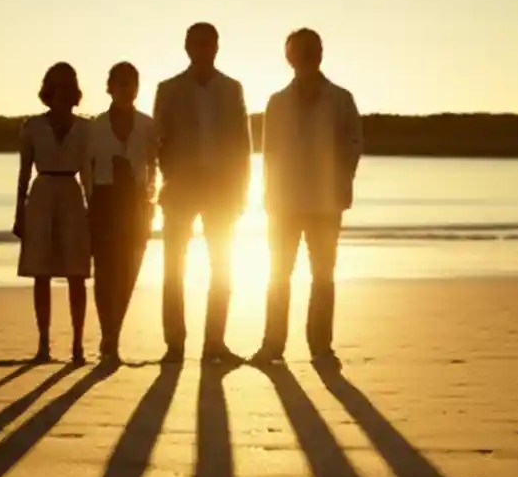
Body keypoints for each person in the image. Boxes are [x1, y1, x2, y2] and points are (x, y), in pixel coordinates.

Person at [252, 28, 364, 370]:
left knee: (323, 275)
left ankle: (320, 346)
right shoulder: (277, 101)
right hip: (284, 203)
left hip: (326, 202)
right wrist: (268, 196)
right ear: (290, 58)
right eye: (298, 51)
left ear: (320, 53)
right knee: (278, 274)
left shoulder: (341, 99)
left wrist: (342, 184)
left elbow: (352, 145)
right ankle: (272, 345)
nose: (305, 56)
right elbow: (269, 153)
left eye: (311, 49)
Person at [152, 22, 252, 364]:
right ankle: (175, 344)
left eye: (208, 43)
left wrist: (241, 192)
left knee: (222, 266)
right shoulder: (169, 89)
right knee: (173, 268)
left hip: (222, 188)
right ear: (186, 47)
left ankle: (215, 343)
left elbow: (243, 144)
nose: (202, 49)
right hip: (180, 186)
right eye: (195, 43)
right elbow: (158, 141)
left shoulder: (231, 88)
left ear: (216, 47)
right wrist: (167, 179)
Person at [13, 62, 92, 365]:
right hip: (42, 193)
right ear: (48, 91)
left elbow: (88, 174)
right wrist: (19, 213)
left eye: (67, 87)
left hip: (71, 194)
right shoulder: (31, 127)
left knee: (77, 272)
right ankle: (44, 345)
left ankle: (77, 347)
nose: (61, 93)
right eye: (56, 87)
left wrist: (92, 212)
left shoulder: (86, 128)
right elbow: (22, 174)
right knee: (41, 272)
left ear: (74, 92)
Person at [86, 62, 157, 364]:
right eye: (121, 83)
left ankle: (114, 331)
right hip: (104, 199)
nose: (127, 89)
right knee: (105, 272)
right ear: (110, 87)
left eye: (132, 83)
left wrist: (150, 196)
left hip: (137, 202)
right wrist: (91, 200)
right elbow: (85, 168)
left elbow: (154, 164)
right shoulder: (96, 127)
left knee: (130, 269)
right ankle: (108, 335)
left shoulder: (147, 125)